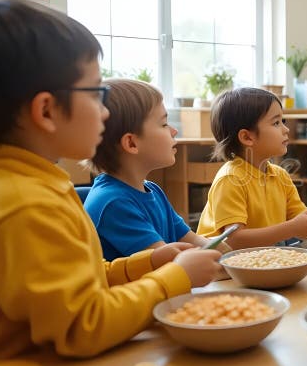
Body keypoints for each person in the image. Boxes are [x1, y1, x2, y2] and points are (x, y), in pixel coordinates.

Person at [0, 0, 221, 362]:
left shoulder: (31, 182)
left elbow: (84, 279)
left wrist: (148, 263)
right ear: (46, 110)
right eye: (96, 94)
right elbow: (81, 325)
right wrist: (174, 277)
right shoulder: (22, 202)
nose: (104, 113)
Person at [84, 79, 229, 260]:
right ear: (131, 143)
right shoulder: (113, 203)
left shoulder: (153, 190)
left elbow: (192, 240)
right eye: (164, 124)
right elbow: (169, 263)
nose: (174, 131)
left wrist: (228, 252)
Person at [196, 87, 307, 248]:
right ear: (247, 137)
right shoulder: (230, 179)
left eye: (283, 121)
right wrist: (293, 228)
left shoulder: (281, 176)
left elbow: (302, 223)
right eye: (276, 123)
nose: (286, 129)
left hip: (260, 260)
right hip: (220, 266)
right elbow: (234, 240)